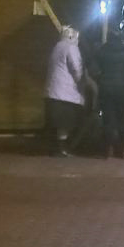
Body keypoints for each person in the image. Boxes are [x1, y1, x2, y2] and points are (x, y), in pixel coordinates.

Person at [93, 28, 124, 158]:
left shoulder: (102, 51)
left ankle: (107, 149)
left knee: (108, 119)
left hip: (106, 88)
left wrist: (101, 80)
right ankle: (123, 149)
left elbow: (94, 69)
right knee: (123, 119)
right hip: (122, 89)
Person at [43, 26, 88, 157]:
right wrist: (81, 82)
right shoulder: (71, 48)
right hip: (65, 93)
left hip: (52, 91)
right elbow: (76, 68)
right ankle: (64, 148)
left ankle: (56, 148)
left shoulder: (57, 47)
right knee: (66, 122)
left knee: (56, 123)